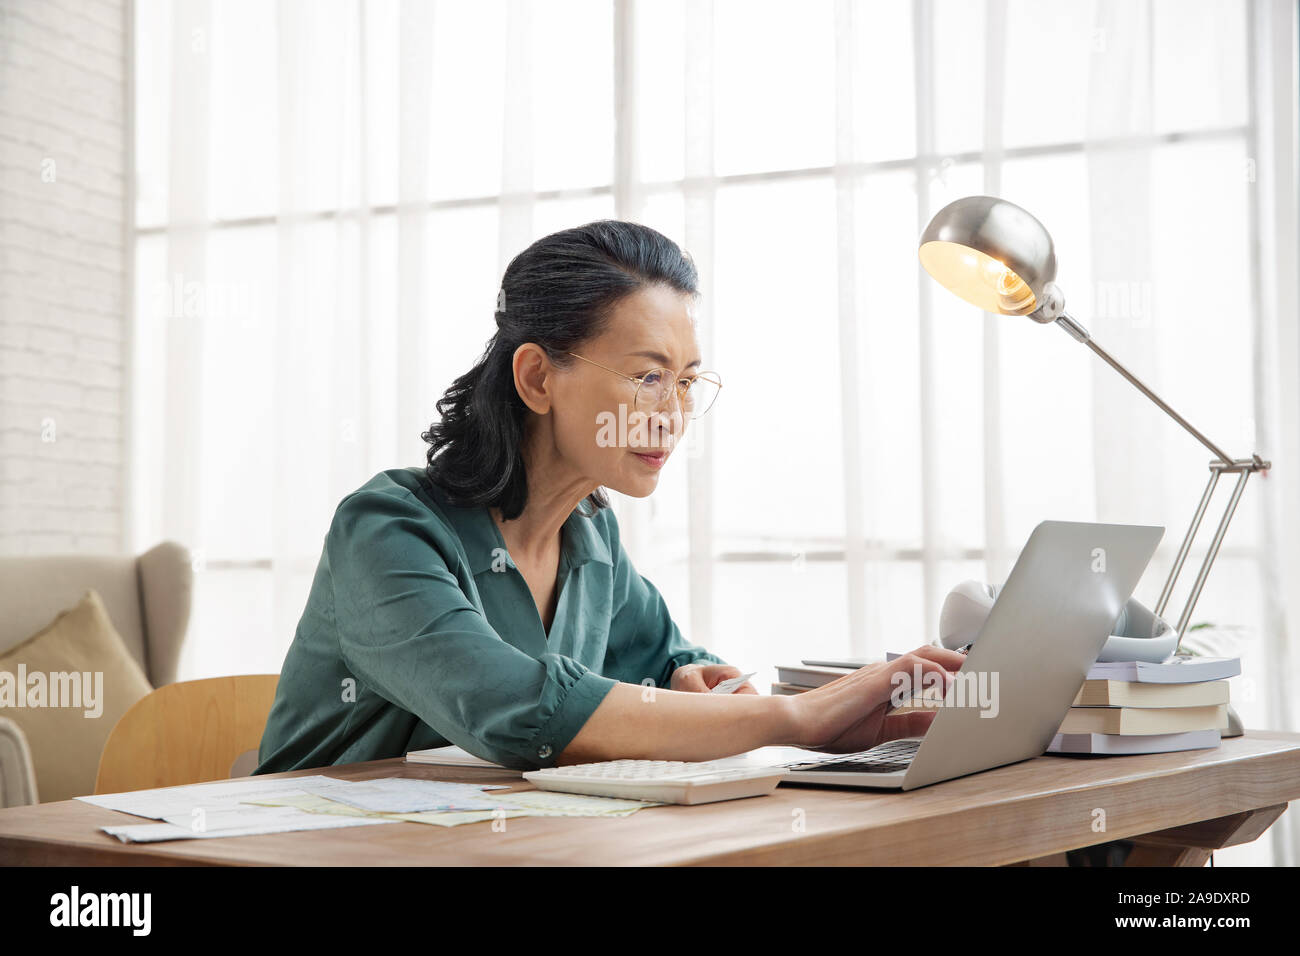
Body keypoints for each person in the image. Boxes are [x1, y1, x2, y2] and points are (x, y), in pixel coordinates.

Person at [255, 220, 963, 774]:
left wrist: (703, 688)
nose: (672, 412)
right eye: (648, 377)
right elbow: (520, 709)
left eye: (686, 382)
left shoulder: (591, 538)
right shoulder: (386, 531)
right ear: (537, 379)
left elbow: (675, 669)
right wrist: (800, 718)